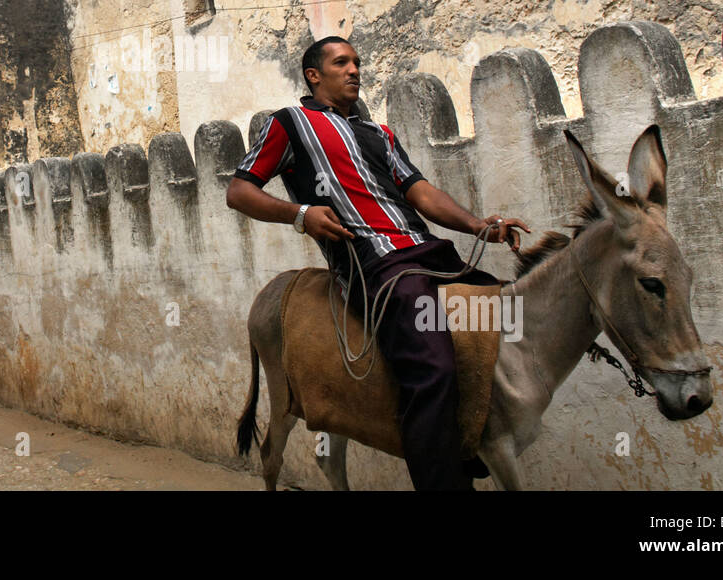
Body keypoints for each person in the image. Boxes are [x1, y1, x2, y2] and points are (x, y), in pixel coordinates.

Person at [225, 35, 530, 490]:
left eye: (357, 63)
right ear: (314, 75)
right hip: (375, 265)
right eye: (342, 62)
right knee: (434, 366)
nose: (354, 70)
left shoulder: (380, 134)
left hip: (427, 252)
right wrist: (301, 214)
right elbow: (239, 191)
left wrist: (477, 225)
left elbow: (421, 194)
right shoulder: (290, 124)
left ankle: (465, 446)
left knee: (506, 312)